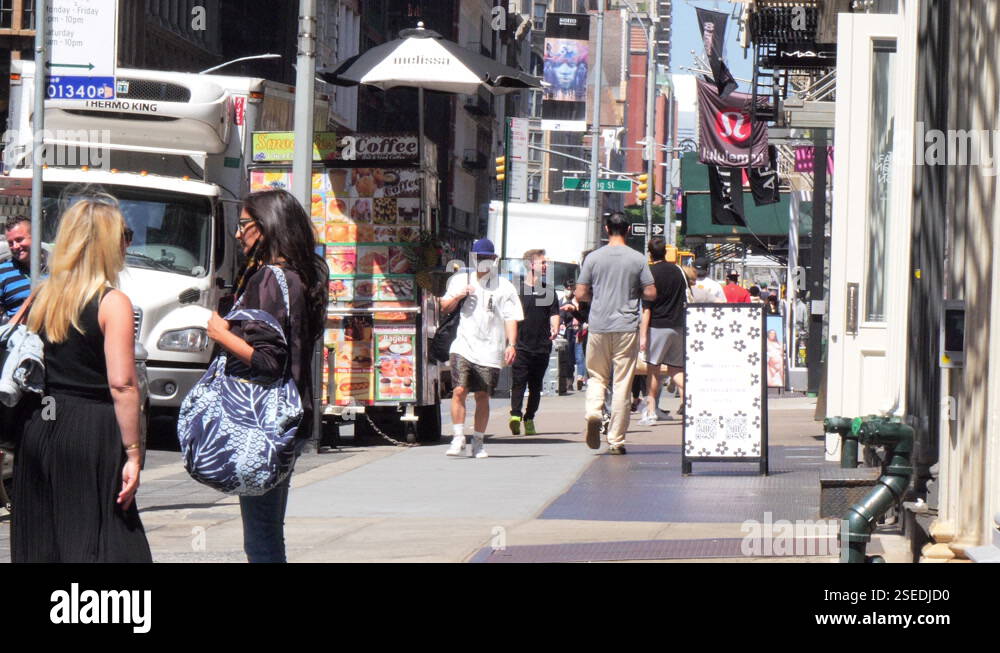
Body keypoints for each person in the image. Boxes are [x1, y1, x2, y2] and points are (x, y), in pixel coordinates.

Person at [11, 196, 152, 563]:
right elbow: (122, 383)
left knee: (44, 537)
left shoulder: (41, 296)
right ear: (107, 242)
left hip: (39, 422)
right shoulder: (112, 302)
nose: (128, 243)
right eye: (125, 235)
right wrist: (134, 453)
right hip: (91, 428)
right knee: (103, 538)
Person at [205, 189, 328, 563]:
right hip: (287, 418)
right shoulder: (300, 277)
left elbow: (269, 359)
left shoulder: (269, 280)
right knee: (268, 530)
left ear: (266, 227)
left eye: (244, 225)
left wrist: (220, 333)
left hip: (262, 422)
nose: (239, 234)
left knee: (260, 536)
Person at [574, 213, 656, 455]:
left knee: (597, 376)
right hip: (627, 326)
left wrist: (595, 298)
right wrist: (634, 294)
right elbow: (650, 292)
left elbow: (580, 293)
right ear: (628, 230)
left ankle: (593, 412)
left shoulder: (593, 258)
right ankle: (616, 440)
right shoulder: (638, 259)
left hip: (598, 324)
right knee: (622, 383)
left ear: (607, 228)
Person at [440, 238, 523, 458]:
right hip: (463, 345)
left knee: (482, 396)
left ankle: (478, 440)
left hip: (490, 349)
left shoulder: (504, 286)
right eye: (479, 258)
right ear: (472, 258)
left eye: (487, 258)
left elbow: (511, 317)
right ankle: (458, 437)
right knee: (459, 390)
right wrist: (460, 295)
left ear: (494, 259)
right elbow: (444, 307)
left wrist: (511, 344)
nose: (483, 262)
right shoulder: (460, 279)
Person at [638, 237, 688, 427]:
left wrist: (643, 336)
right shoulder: (678, 271)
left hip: (657, 326)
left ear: (650, 253)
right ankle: (696, 399)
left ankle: (650, 411)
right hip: (678, 325)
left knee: (653, 370)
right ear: (665, 252)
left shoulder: (650, 274)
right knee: (676, 370)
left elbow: (647, 308)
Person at [509, 249, 560, 436]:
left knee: (536, 386)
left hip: (542, 346)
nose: (546, 266)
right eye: (543, 263)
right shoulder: (517, 290)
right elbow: (510, 317)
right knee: (518, 383)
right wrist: (510, 343)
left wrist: (555, 327)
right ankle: (515, 416)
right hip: (521, 345)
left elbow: (554, 312)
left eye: (546, 263)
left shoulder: (548, 290)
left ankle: (529, 418)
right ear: (531, 265)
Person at [0, 216, 37, 320]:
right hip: (23, 333)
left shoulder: (55, 268)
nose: (15, 246)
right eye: (10, 243)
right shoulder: (2, 273)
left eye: (19, 240)